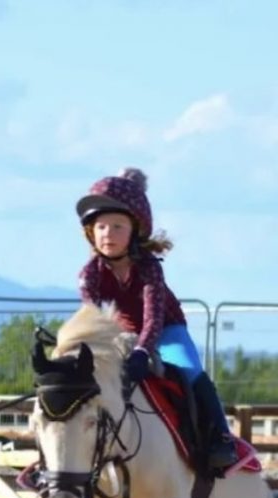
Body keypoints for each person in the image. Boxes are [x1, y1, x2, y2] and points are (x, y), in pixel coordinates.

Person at [76, 167, 239, 472]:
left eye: (117, 226)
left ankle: (221, 439)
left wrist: (142, 351)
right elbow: (93, 322)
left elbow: (153, 317)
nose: (108, 234)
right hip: (120, 334)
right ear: (90, 232)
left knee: (191, 371)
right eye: (101, 227)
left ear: (134, 231)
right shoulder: (89, 275)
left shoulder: (149, 267)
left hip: (166, 331)